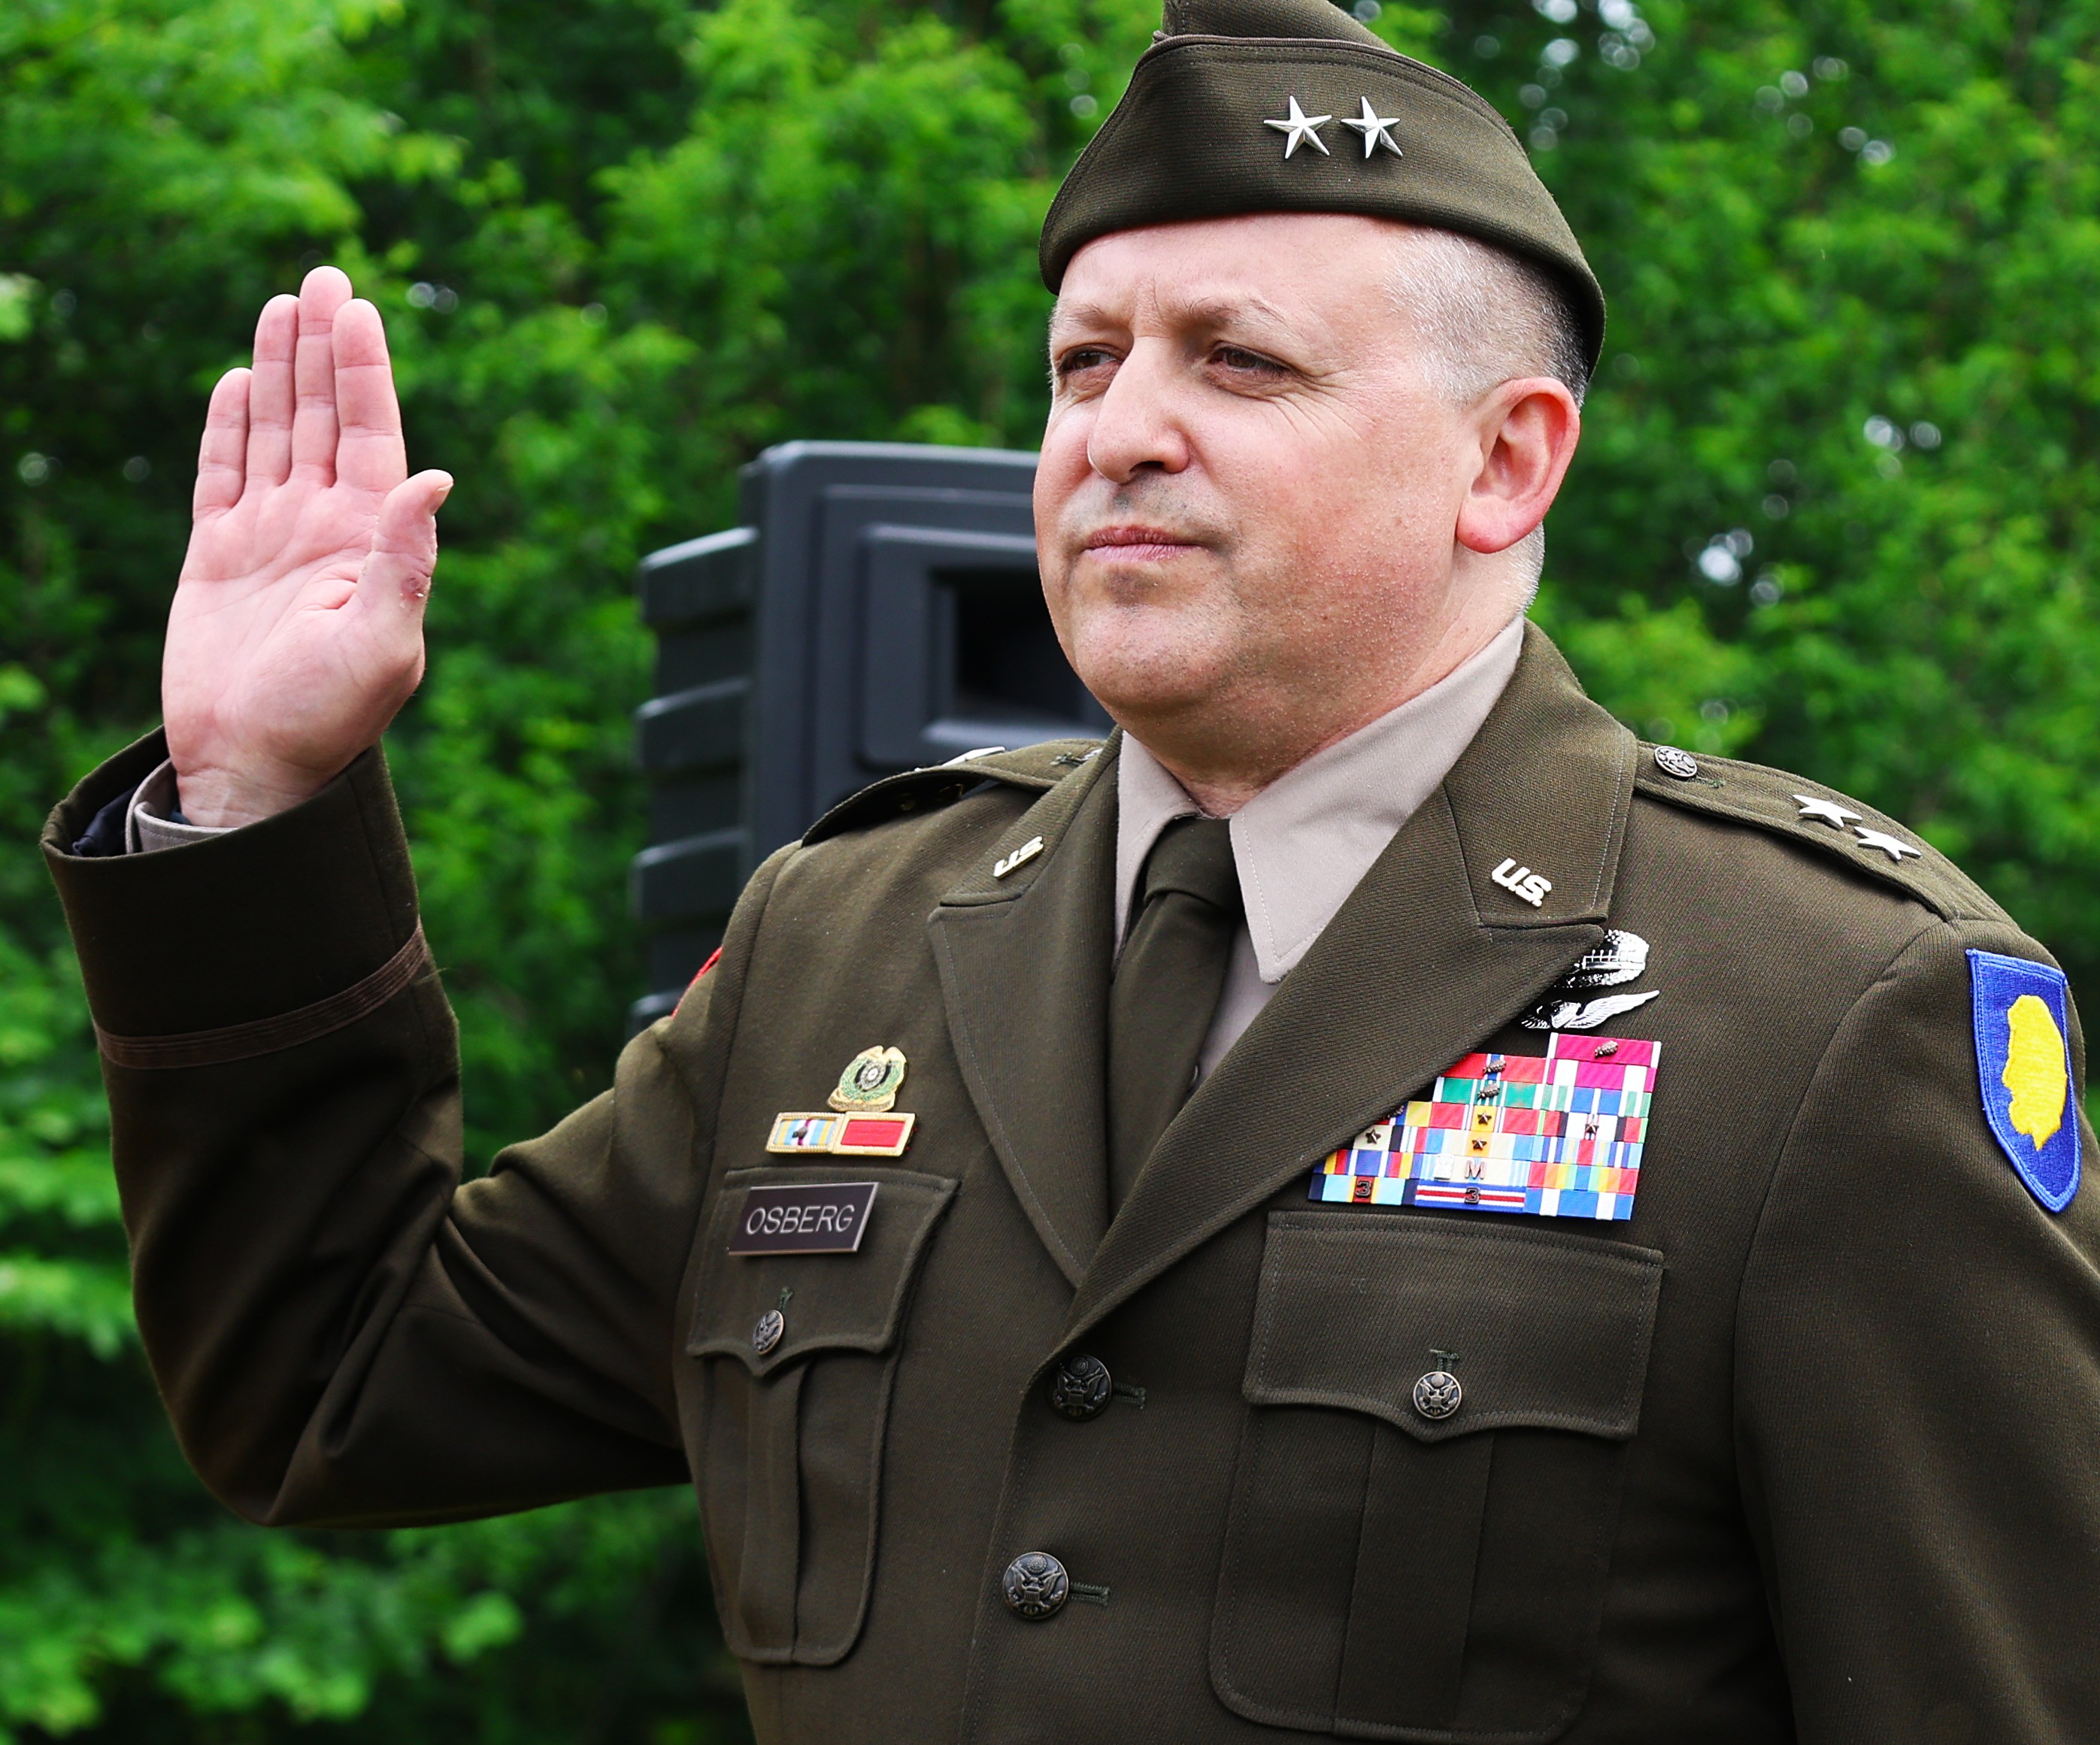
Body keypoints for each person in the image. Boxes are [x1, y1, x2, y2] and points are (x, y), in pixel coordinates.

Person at [41, 0, 2100, 1737]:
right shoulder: (845, 941)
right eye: (1082, 361)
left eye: (1240, 362)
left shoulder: (1826, 1010)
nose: (1117, 429)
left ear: (1505, 460)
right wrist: (255, 796)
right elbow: (328, 1387)